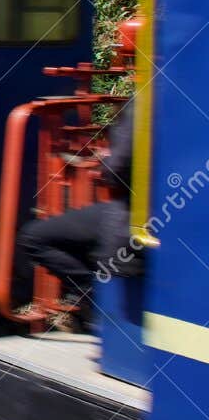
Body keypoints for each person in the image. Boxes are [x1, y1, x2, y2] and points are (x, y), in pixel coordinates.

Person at [13, 98, 134, 310]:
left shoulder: (146, 104)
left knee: (34, 237)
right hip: (150, 214)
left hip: (130, 216)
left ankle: (96, 296)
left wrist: (105, 162)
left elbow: (117, 171)